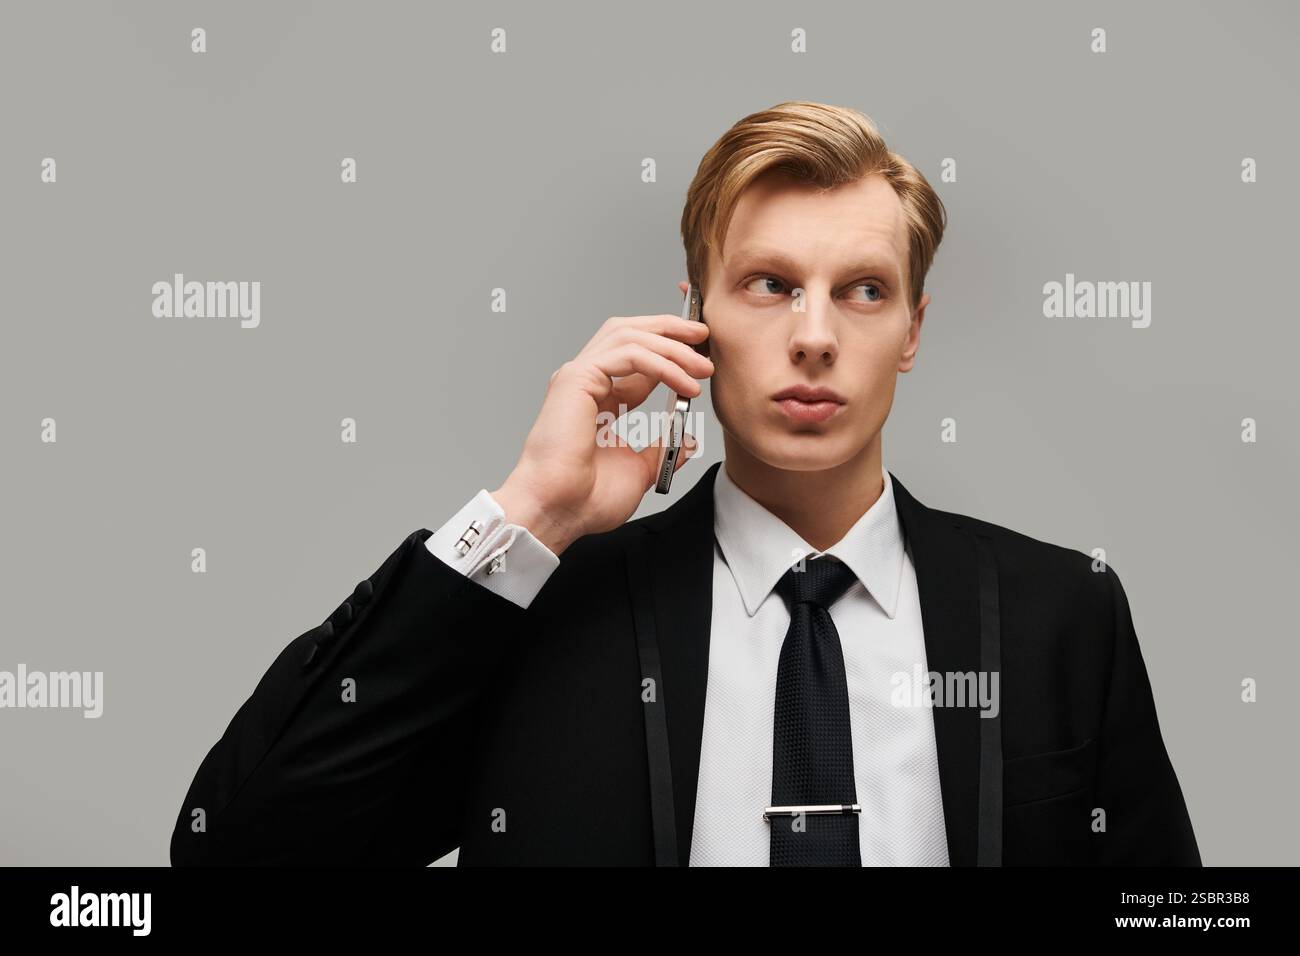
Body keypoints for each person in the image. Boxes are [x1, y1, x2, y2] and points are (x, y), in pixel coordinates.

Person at [170, 101, 1200, 866]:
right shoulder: (548, 608)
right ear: (693, 317)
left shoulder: (1060, 612)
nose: (812, 336)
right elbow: (242, 849)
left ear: (912, 332)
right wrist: (529, 509)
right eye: (768, 284)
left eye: (864, 291)